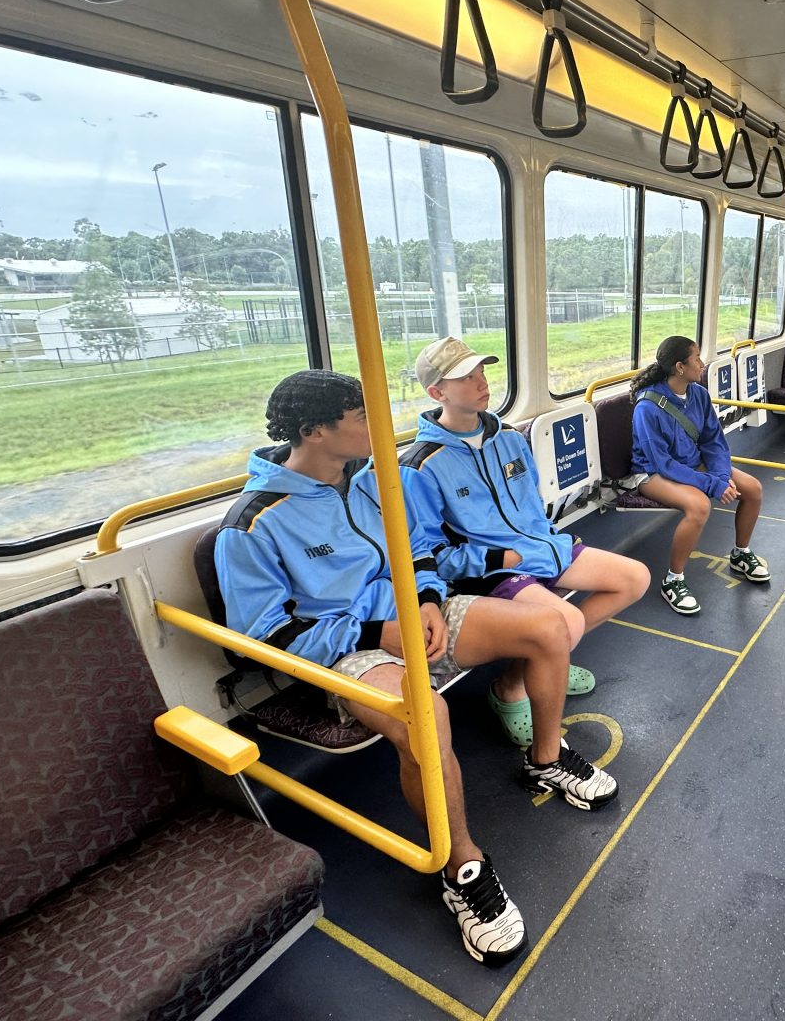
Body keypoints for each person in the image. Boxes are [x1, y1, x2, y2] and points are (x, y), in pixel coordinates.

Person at [214, 370, 619, 967]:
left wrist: (427, 600)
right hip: (345, 649)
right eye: (361, 417)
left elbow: (415, 549)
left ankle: (545, 760)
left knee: (551, 627)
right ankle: (461, 867)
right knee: (427, 713)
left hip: (414, 614)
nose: (377, 428)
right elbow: (260, 638)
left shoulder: (370, 480)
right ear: (314, 431)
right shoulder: (254, 523)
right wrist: (375, 632)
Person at [402, 337, 650, 747]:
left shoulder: (509, 437)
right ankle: (510, 687)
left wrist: (543, 540)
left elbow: (532, 502)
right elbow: (431, 554)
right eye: (465, 378)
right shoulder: (421, 466)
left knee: (634, 578)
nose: (482, 382)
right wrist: (502, 556)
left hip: (539, 546)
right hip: (492, 567)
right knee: (567, 623)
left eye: (482, 371)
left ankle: (551, 655)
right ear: (437, 393)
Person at [630, 335, 770, 614]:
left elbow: (713, 442)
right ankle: (673, 580)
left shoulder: (699, 395)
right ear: (680, 367)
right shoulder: (647, 408)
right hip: (651, 472)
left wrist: (721, 477)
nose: (702, 364)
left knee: (752, 489)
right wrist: (712, 485)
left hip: (692, 463)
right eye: (697, 358)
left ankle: (740, 553)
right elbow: (662, 464)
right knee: (699, 506)